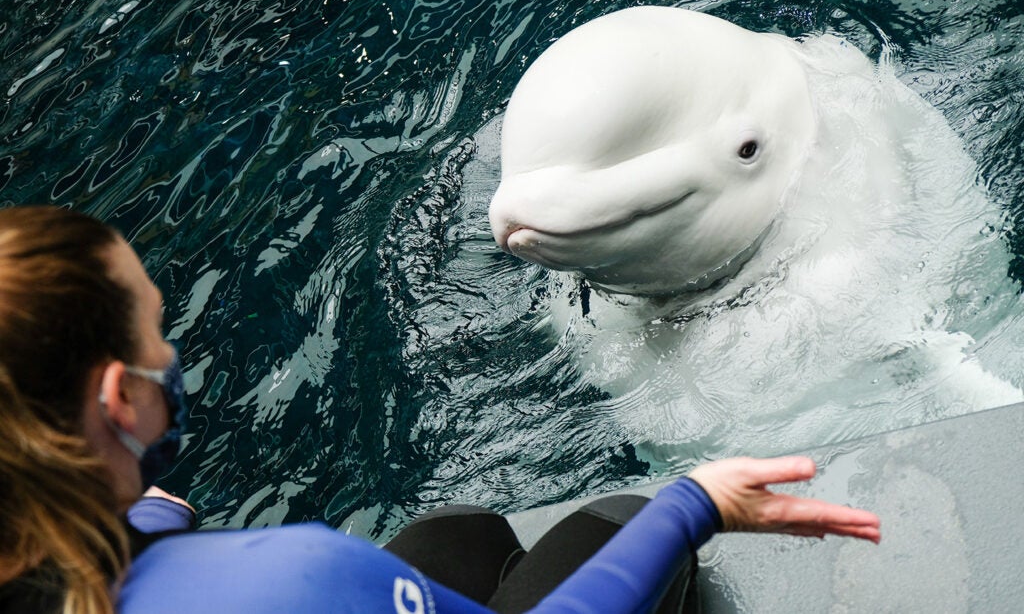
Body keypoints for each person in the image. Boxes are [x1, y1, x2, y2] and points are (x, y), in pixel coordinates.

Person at [0, 205, 881, 614]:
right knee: (619, 521)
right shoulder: (288, 581)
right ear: (119, 397)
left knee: (456, 533)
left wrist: (132, 522)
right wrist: (695, 501)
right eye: (155, 329)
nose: (169, 354)